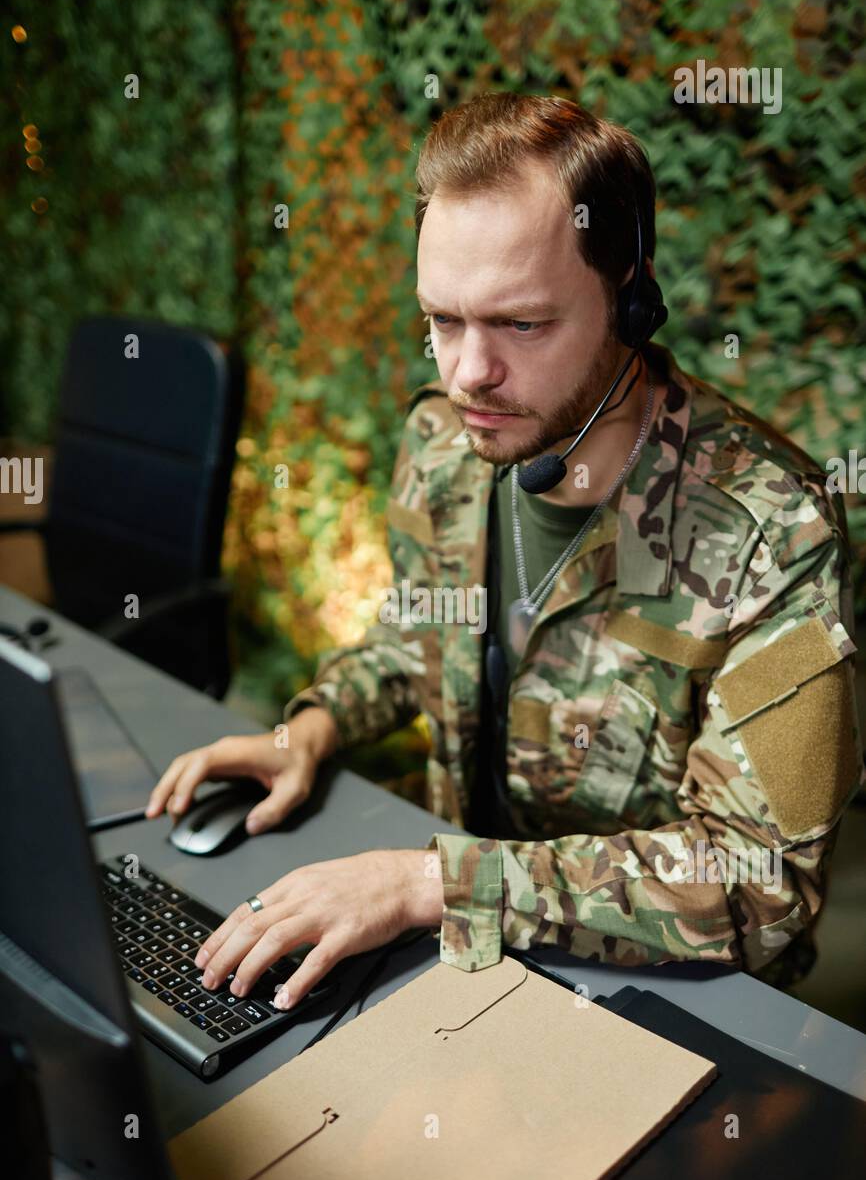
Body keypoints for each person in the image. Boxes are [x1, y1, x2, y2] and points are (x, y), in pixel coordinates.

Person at [146, 93, 863, 1013]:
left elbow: (760, 887)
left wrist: (428, 884)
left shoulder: (778, 535)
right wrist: (311, 729)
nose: (466, 374)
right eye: (442, 320)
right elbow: (417, 637)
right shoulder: (448, 443)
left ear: (631, 298)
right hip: (462, 957)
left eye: (521, 324)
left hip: (671, 1002)